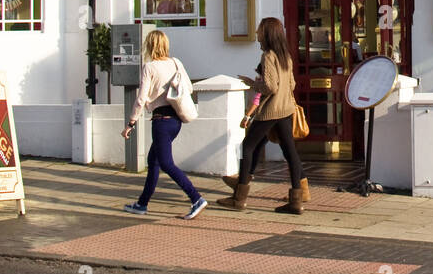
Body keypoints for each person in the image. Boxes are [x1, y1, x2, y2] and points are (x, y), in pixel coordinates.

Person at [219, 17, 306, 214]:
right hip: (286, 110)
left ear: (266, 34)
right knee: (290, 152)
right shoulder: (286, 56)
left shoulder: (268, 57)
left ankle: (239, 198)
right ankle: (296, 201)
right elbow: (291, 85)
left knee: (248, 146)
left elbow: (270, 87)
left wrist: (252, 83)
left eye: (259, 30)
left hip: (270, 111)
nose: (257, 34)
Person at [121, 29, 207, 219]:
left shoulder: (149, 67)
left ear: (150, 46)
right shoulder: (176, 63)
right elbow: (189, 88)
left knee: (166, 164)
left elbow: (141, 98)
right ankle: (142, 204)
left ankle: (196, 198)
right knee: (153, 161)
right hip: (176, 120)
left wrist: (131, 123)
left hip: (161, 121)